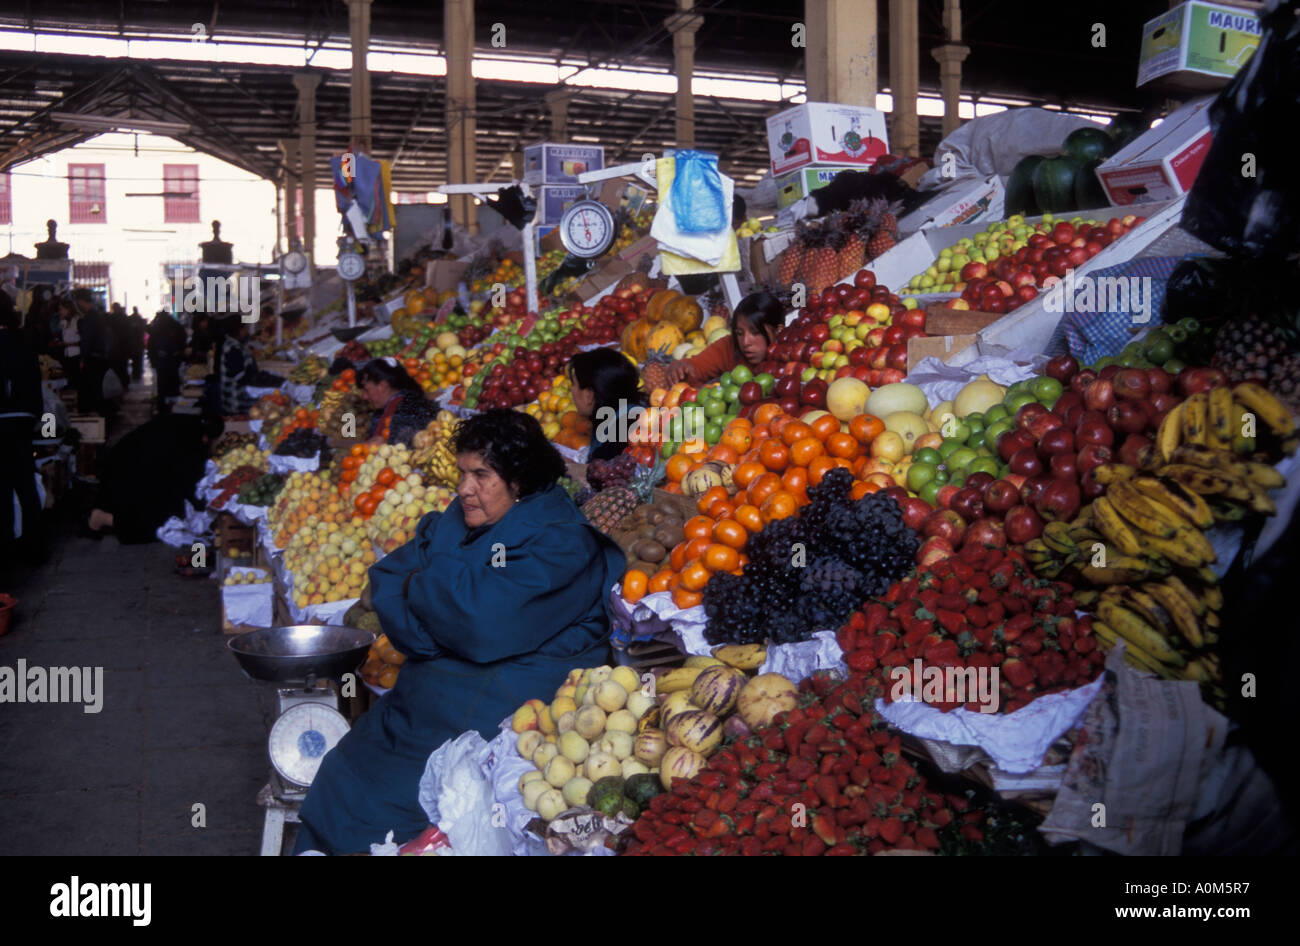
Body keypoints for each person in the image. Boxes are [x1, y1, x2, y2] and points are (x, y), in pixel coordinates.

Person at [293, 409, 626, 855]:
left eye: (481, 475)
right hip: (428, 693)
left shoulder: (562, 542)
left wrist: (429, 600)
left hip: (488, 709)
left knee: (390, 800)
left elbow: (479, 625)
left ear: (520, 481)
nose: (465, 488)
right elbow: (387, 578)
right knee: (342, 769)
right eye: (463, 473)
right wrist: (438, 628)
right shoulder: (461, 518)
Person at [84, 413, 224, 543]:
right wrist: (201, 514)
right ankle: (102, 519)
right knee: (155, 522)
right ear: (207, 437)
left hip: (123, 460)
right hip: (130, 470)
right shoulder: (189, 442)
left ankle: (106, 516)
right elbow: (190, 482)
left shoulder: (185, 422)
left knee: (160, 505)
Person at [0, 292, 46, 563]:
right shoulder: (23, 341)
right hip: (23, 421)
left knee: (2, 489)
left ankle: (6, 547)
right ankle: (35, 546)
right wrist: (36, 417)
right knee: (26, 485)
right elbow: (34, 383)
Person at [663, 290, 786, 386]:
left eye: (755, 332)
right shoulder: (730, 346)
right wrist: (680, 367)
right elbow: (696, 367)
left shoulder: (791, 355)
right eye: (739, 333)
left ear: (778, 331)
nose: (745, 342)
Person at [568, 347, 645, 463]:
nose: (572, 391)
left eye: (574, 385)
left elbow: (598, 474)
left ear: (589, 395)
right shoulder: (629, 412)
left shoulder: (614, 444)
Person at [357, 357, 437, 446]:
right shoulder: (407, 399)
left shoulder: (399, 410)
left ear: (383, 386)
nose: (364, 397)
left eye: (366, 390)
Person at [72, 288, 111, 414]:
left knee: (91, 390)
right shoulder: (97, 314)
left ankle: (93, 417)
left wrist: (83, 358)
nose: (77, 305)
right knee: (97, 390)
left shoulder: (90, 317)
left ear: (81, 301)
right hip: (100, 357)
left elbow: (87, 339)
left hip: (93, 359)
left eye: (77, 302)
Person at [147, 310, 187, 414]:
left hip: (162, 362)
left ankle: (162, 408)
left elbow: (150, 345)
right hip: (173, 361)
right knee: (173, 384)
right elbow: (183, 340)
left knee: (162, 386)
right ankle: (174, 408)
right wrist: (180, 355)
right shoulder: (175, 325)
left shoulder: (157, 327)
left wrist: (153, 360)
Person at [215, 317, 256, 416]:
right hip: (237, 403)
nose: (247, 332)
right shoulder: (233, 348)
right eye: (246, 329)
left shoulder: (231, 345)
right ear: (239, 331)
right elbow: (240, 376)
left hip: (234, 401)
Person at [127, 306, 146, 380]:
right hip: (139, 343)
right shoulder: (140, 319)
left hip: (133, 343)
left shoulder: (130, 319)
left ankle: (135, 373)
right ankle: (138, 373)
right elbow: (143, 330)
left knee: (134, 359)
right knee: (138, 359)